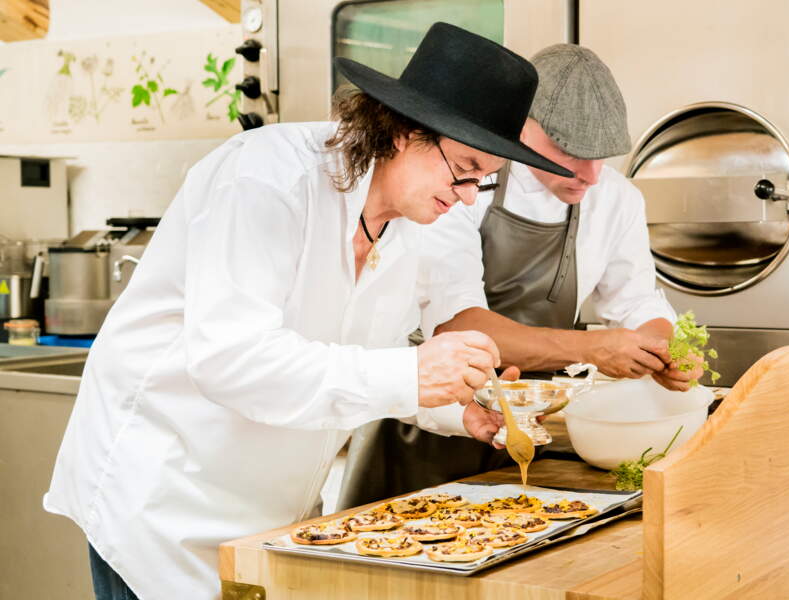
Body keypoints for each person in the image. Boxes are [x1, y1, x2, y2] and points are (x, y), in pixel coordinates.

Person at [43, 23, 572, 600]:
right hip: (162, 500)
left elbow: (359, 360)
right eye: (465, 167)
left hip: (272, 511)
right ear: (406, 131)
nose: (469, 195)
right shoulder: (266, 178)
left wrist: (458, 409)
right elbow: (232, 360)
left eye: (484, 181)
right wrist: (413, 372)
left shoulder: (417, 223)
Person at [338, 44, 702, 511]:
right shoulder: (461, 182)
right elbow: (458, 323)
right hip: (429, 420)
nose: (590, 175)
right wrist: (592, 348)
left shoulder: (616, 198)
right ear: (522, 127)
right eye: (571, 153)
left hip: (530, 422)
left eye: (602, 156)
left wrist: (666, 349)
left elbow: (635, 302)